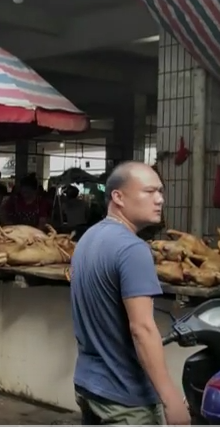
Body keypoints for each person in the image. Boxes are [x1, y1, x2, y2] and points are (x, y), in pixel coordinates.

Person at [71, 162, 189, 425]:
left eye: (160, 191)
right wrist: (170, 399)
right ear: (118, 197)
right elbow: (142, 329)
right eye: (149, 191)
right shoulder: (132, 250)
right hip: (125, 398)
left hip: (89, 385)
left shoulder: (88, 239)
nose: (159, 199)